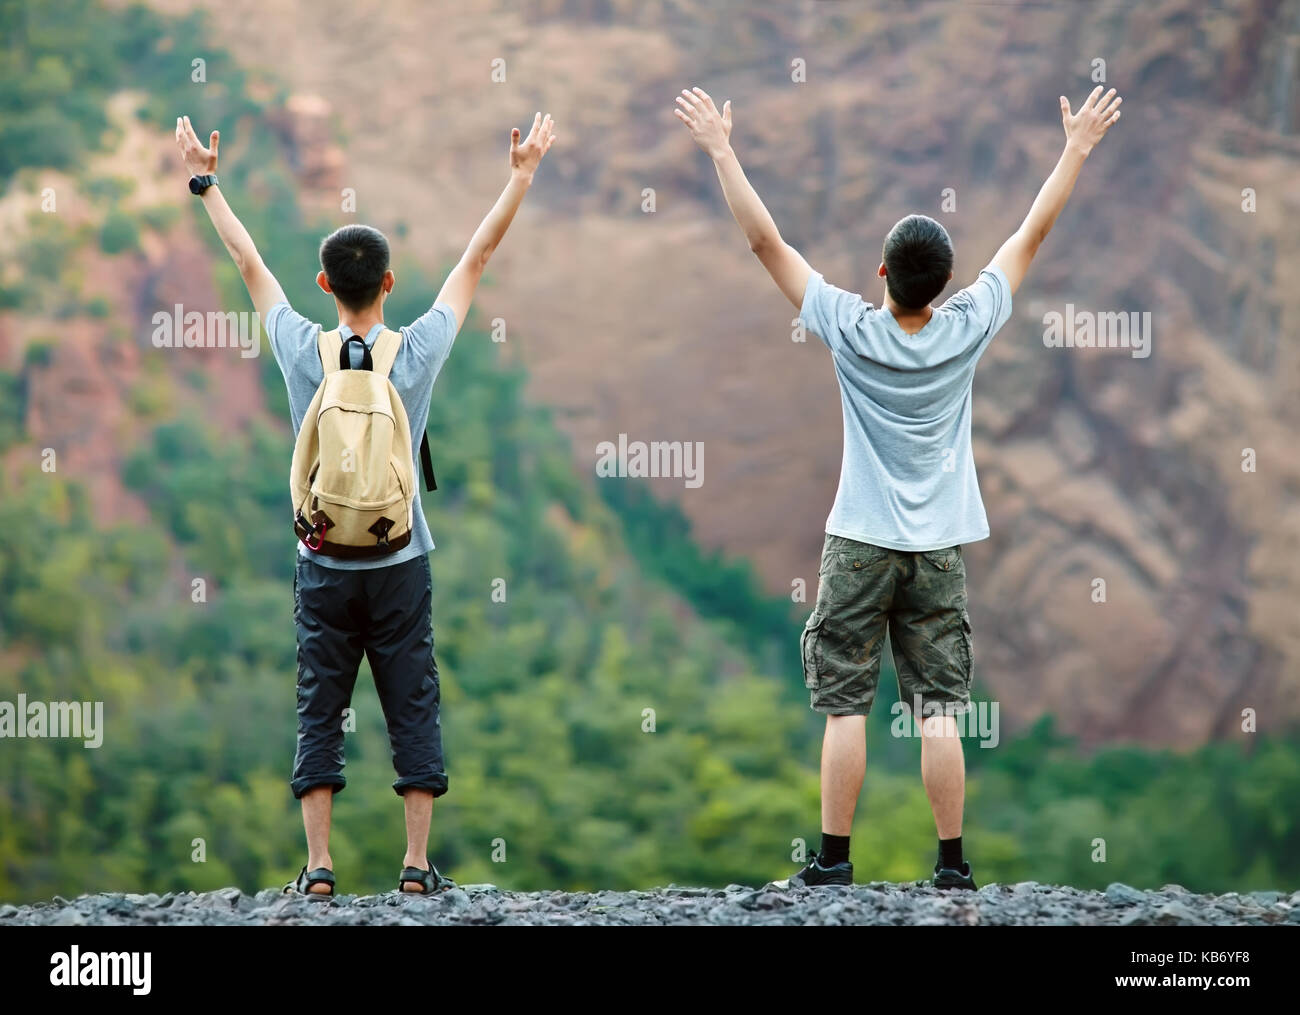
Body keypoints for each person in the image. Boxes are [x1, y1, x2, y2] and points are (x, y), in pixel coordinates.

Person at [675, 85, 1122, 889]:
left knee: (847, 704)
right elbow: (1033, 231)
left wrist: (721, 148)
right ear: (945, 285)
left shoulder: (849, 327)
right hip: (940, 545)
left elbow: (766, 243)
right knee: (941, 708)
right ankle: (952, 868)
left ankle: (834, 862)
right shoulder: (969, 326)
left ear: (882, 272)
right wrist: (1077, 148)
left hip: (859, 540)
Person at [173, 111, 556, 896]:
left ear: (324, 287)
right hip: (400, 561)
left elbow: (248, 263)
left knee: (321, 704)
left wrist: (206, 183)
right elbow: (476, 257)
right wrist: (520, 174)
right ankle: (416, 867)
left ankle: (318, 868)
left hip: (321, 561)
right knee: (412, 700)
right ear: (387, 284)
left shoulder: (298, 347)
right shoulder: (415, 351)